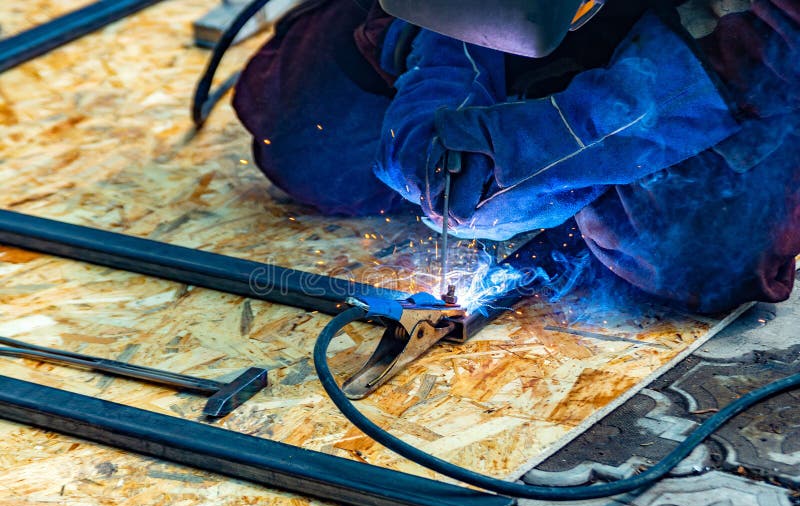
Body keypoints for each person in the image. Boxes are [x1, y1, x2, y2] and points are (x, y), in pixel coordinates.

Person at [233, 0, 800, 313]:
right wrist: (438, 64)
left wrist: (582, 132)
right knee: (309, 142)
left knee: (699, 248)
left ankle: (569, 180)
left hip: (722, 36)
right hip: (540, 16)